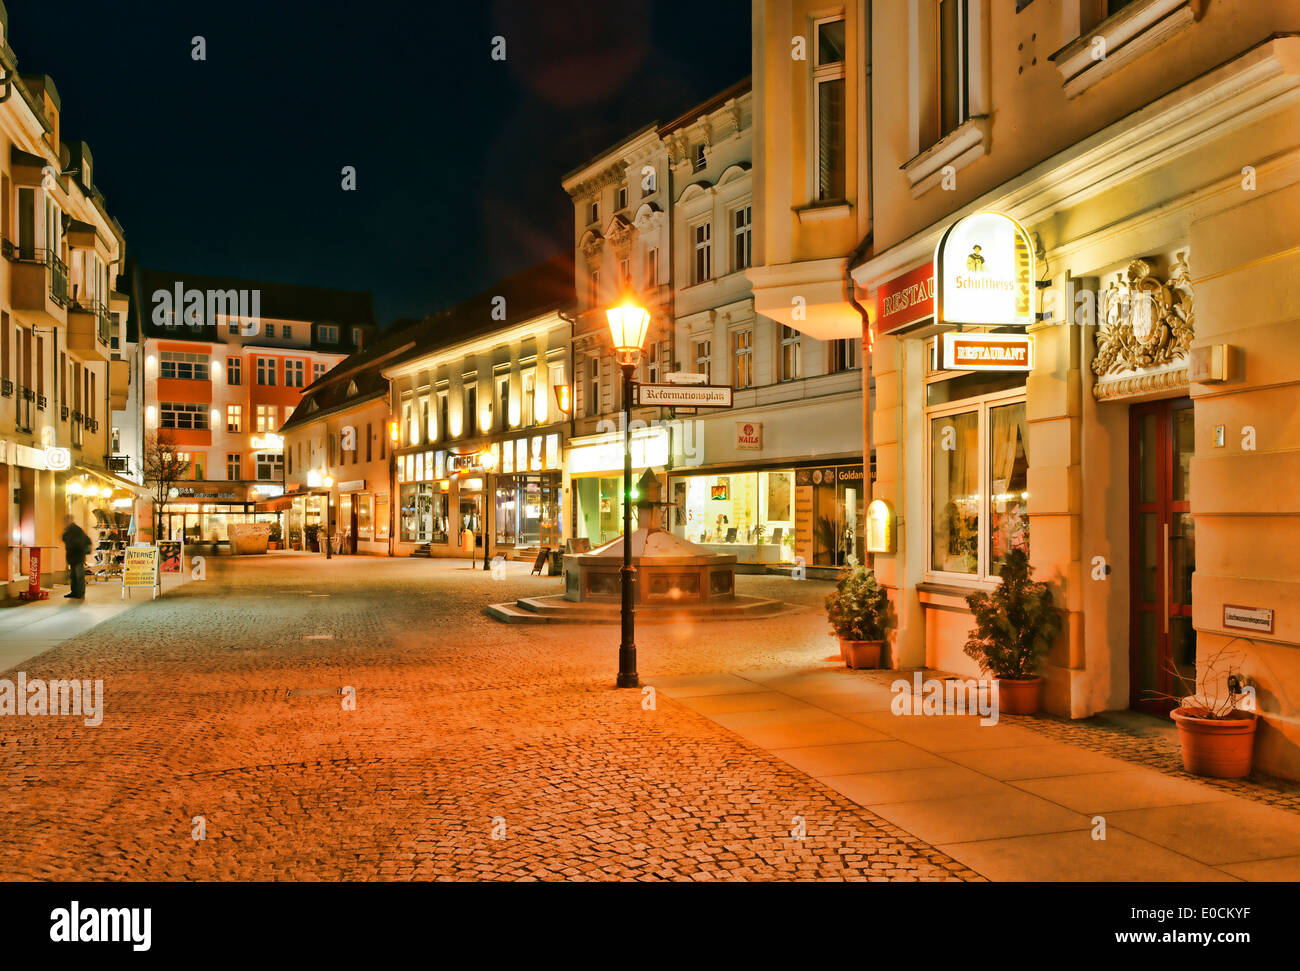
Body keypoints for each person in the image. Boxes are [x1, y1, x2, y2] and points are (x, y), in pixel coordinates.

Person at [61, 514, 91, 600]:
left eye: (65, 521)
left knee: (79, 575)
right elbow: (64, 539)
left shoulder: (76, 530)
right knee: (73, 575)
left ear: (69, 520)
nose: (64, 522)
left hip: (78, 556)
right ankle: (74, 592)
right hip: (72, 556)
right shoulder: (68, 530)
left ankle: (80, 592)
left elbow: (79, 542)